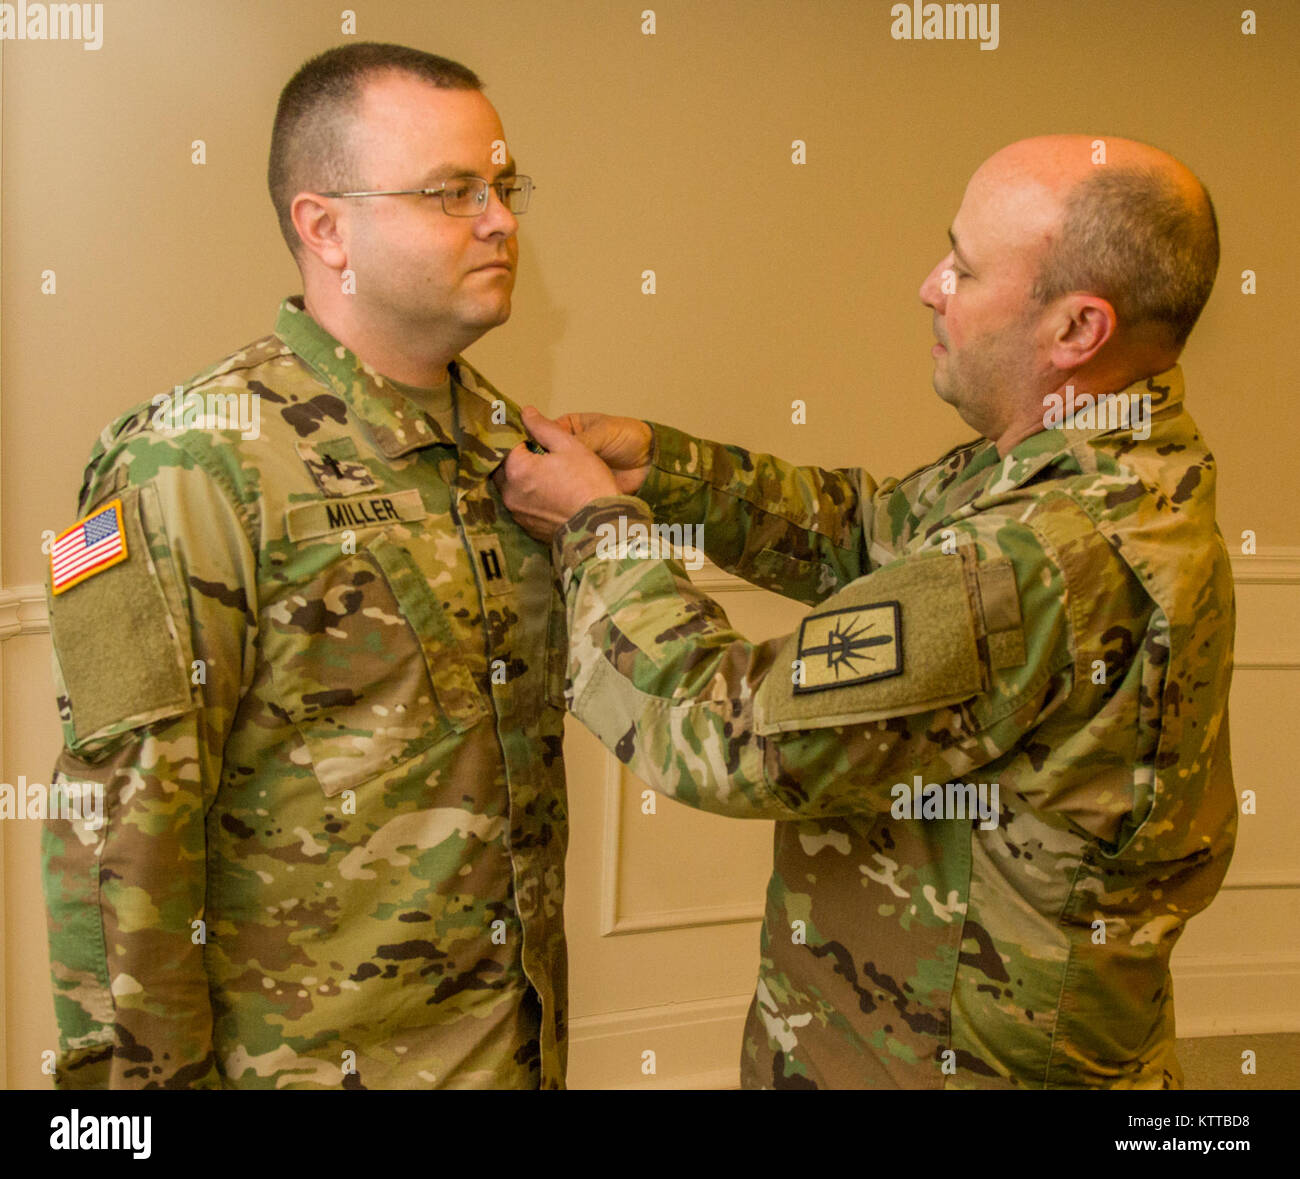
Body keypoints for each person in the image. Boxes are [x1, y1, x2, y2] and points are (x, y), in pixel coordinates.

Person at [498, 134, 1236, 1089]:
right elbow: (876, 534)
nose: (930, 286)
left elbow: (721, 733)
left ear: (1076, 331)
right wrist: (666, 470)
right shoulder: (1108, 450)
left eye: (965, 269)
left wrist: (597, 525)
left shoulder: (1038, 554)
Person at [42, 42, 569, 1089]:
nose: (501, 219)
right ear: (324, 226)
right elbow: (117, 834)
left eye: (502, 186)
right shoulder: (183, 463)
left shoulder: (511, 449)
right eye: (450, 191)